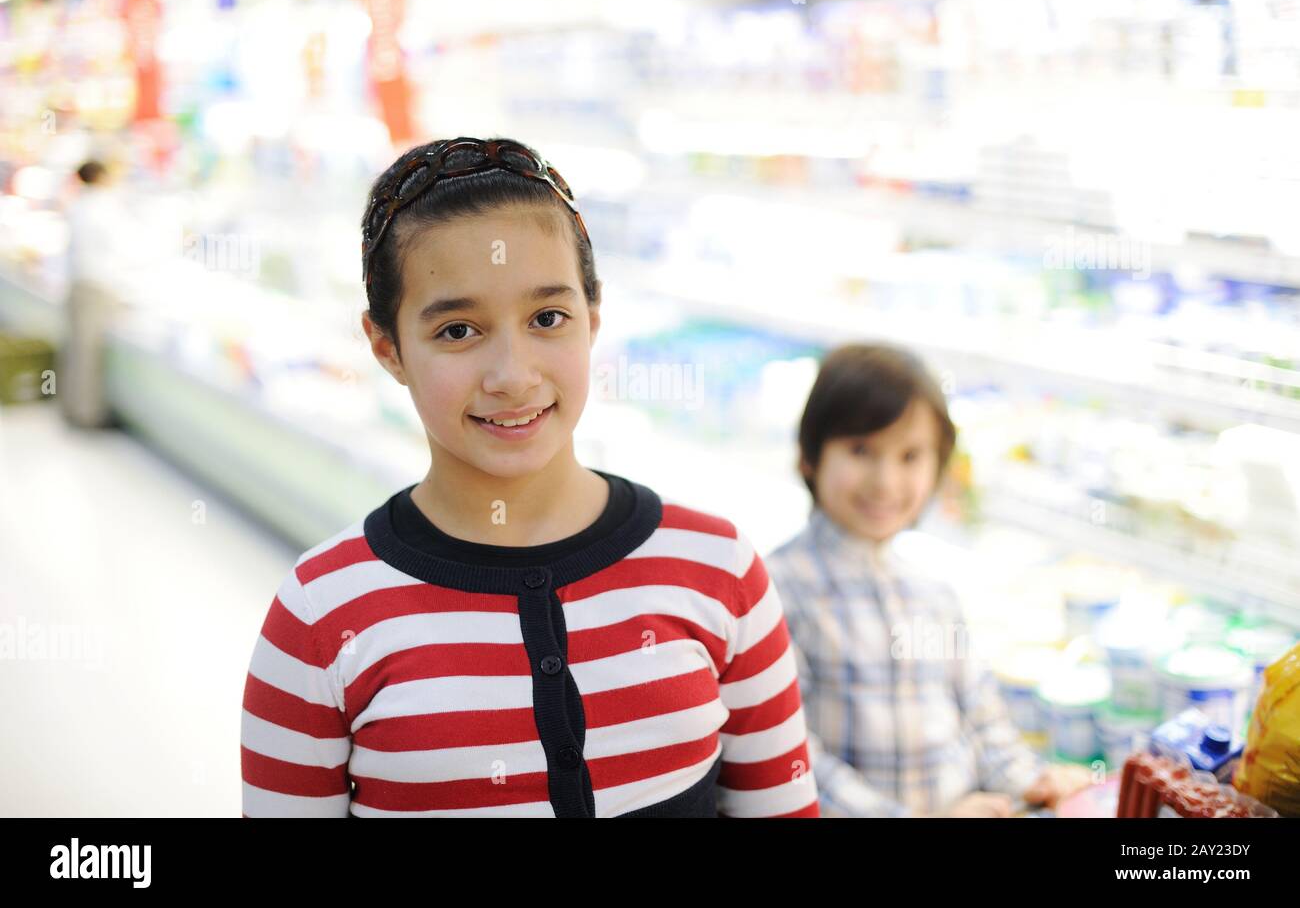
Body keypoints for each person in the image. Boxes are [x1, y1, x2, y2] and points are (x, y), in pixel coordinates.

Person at [238, 137, 821, 817]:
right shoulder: (319, 615)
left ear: (593, 319)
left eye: (548, 318)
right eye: (458, 330)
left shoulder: (720, 571)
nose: (513, 375)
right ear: (387, 346)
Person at [763, 343, 1092, 817]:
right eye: (861, 450)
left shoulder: (933, 593)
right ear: (809, 455)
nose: (886, 482)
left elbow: (982, 718)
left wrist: (1031, 781)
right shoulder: (776, 592)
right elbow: (794, 759)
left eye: (911, 456)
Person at [58, 158, 131, 428]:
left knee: (75, 348)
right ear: (101, 176)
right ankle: (88, 414)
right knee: (89, 351)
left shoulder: (79, 205)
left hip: (78, 281)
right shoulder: (104, 206)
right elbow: (124, 245)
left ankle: (71, 405)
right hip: (97, 284)